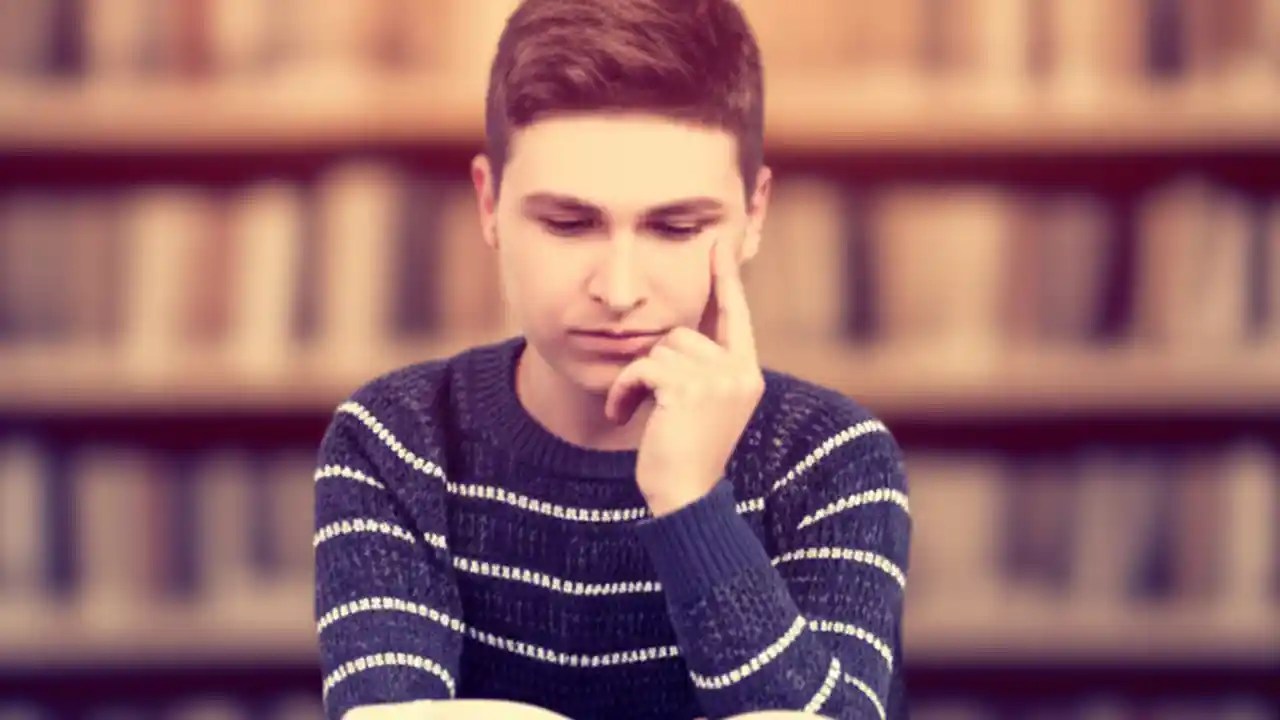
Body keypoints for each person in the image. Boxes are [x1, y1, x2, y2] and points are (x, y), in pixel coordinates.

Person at [312, 1, 912, 718]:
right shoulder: (396, 438)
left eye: (676, 226)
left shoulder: (831, 456)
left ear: (754, 216)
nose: (619, 291)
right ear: (488, 203)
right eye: (569, 224)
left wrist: (691, 505)